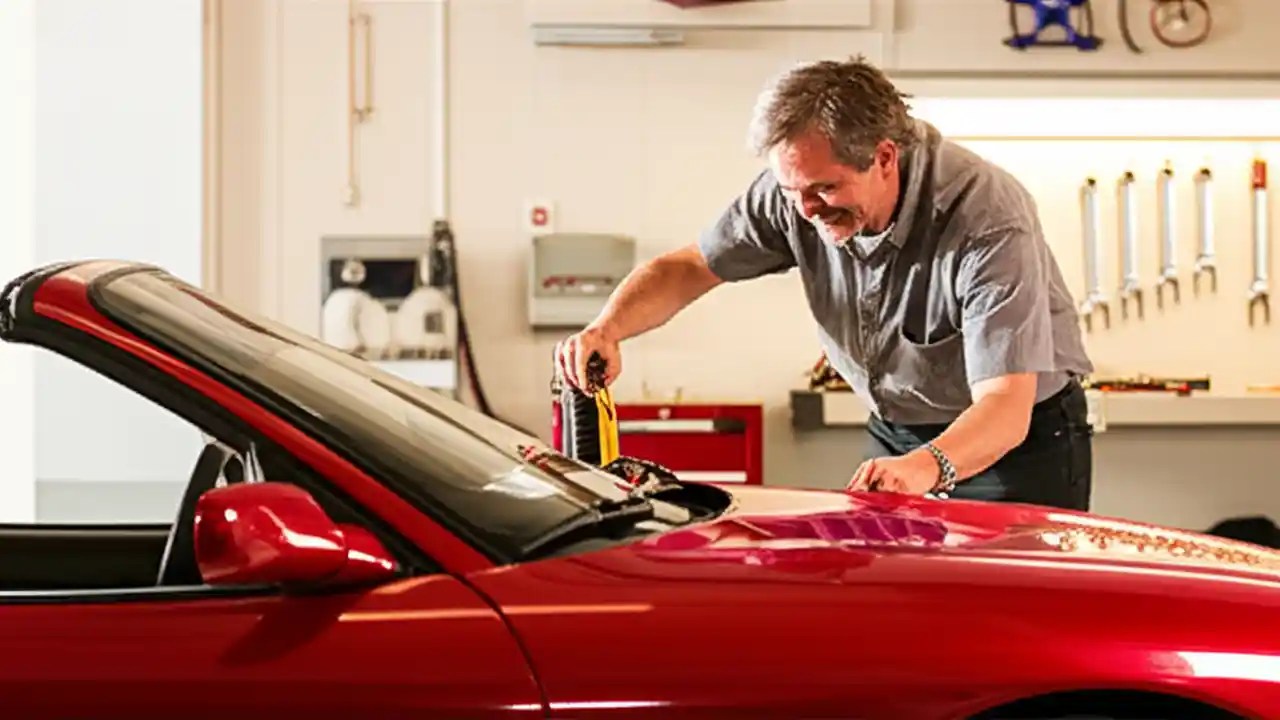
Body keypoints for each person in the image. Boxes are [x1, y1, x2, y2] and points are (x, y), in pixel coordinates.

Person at [556, 55, 1095, 511]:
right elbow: (690, 267)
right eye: (792, 190)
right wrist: (608, 328)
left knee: (1005, 615)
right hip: (899, 432)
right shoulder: (794, 191)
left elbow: (1005, 405)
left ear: (885, 156)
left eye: (825, 189)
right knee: (902, 605)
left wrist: (925, 467)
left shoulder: (984, 215)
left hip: (1018, 446)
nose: (806, 210)